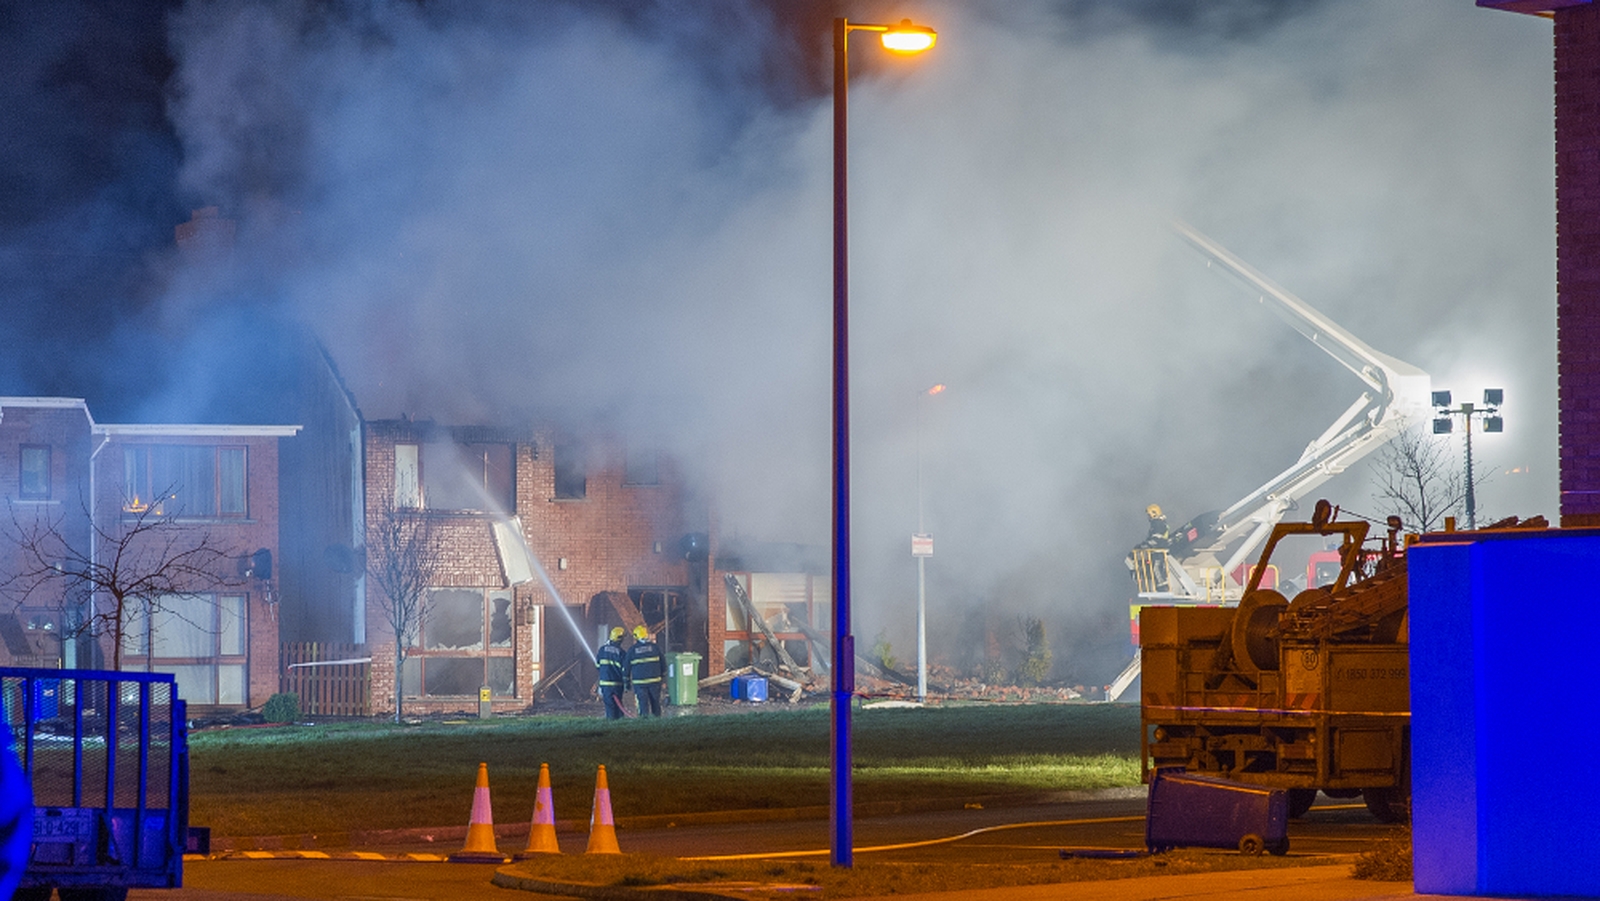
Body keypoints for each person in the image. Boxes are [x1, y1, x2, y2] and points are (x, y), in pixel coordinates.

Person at [627, 625, 665, 718]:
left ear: (636, 637)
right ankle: (657, 722)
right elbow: (663, 664)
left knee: (642, 704)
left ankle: (644, 722)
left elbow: (626, 667)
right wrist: (663, 678)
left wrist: (626, 682)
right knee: (655, 702)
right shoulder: (655, 647)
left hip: (640, 683)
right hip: (655, 682)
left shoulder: (632, 650)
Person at [597, 627, 629, 720]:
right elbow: (624, 669)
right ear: (620, 639)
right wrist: (626, 684)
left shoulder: (602, 650)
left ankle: (611, 722)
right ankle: (618, 723)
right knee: (618, 705)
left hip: (605, 684)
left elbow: (597, 665)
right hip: (617, 684)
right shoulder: (621, 653)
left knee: (609, 706)